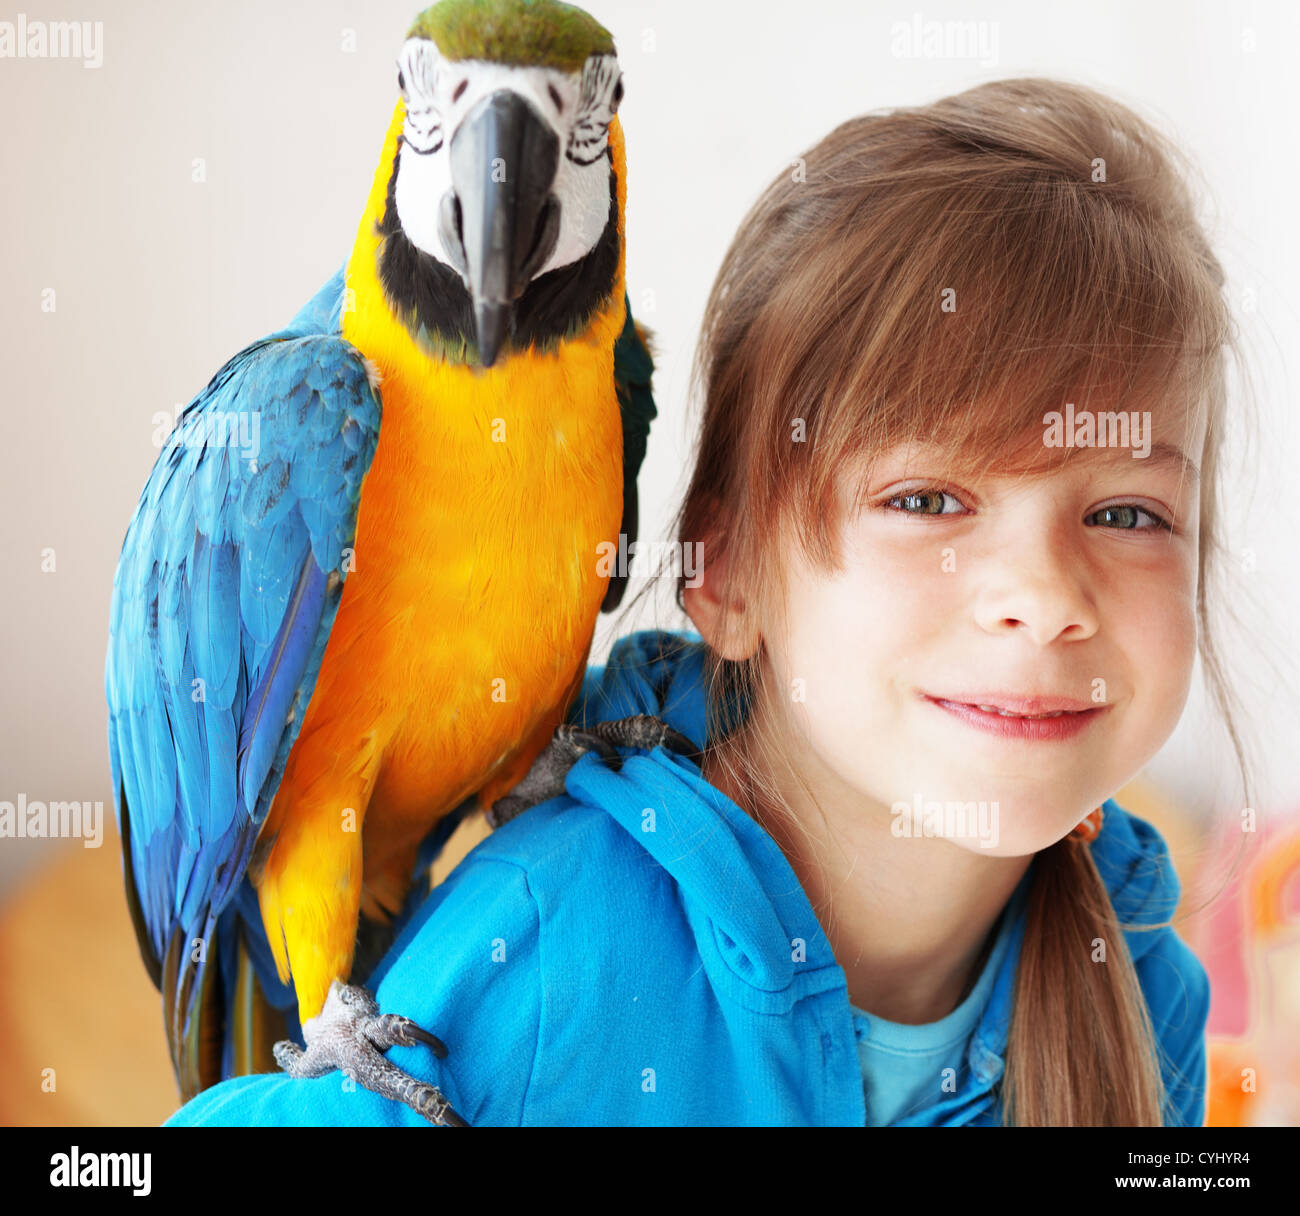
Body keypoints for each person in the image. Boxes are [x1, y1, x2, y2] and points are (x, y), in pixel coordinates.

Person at [167, 76, 1249, 1127]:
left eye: (1125, 514)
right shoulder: (546, 959)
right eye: (926, 498)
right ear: (723, 573)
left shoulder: (1145, 980)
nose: (1045, 596)